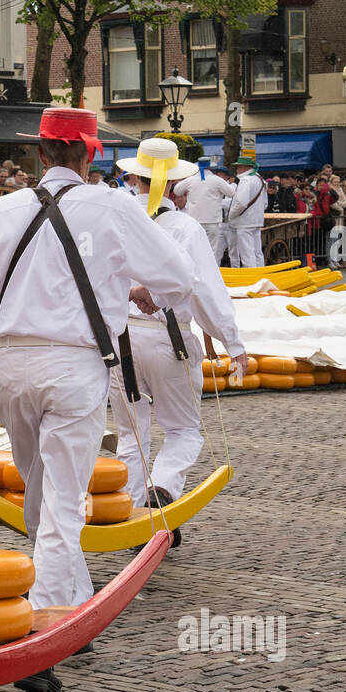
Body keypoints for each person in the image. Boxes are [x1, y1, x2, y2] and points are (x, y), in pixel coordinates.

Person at [0, 107, 195, 692]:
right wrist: (143, 294)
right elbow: (179, 277)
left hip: (9, 365)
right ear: (89, 154)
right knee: (62, 507)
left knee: (44, 499)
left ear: (39, 155)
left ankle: (72, 610)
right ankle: (36, 636)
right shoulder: (114, 207)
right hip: (74, 367)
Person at [110, 139, 247, 539]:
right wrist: (233, 344)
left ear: (134, 177)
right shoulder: (185, 228)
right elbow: (205, 292)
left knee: (130, 435)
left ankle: (134, 518)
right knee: (184, 430)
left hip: (120, 341)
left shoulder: (115, 221)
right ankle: (164, 488)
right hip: (168, 340)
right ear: (177, 184)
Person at [174, 160, 234, 262]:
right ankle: (212, 275)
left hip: (194, 221)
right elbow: (231, 192)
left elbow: (177, 190)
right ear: (210, 167)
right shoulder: (216, 180)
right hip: (213, 221)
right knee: (213, 251)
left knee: (195, 249)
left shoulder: (190, 180)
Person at [224, 156, 266, 267]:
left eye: (238, 167)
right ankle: (261, 275)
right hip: (256, 220)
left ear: (244, 167)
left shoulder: (246, 180)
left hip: (244, 222)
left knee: (247, 253)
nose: (237, 170)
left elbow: (241, 203)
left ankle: (252, 278)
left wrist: (231, 215)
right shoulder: (260, 179)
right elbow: (265, 203)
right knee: (257, 252)